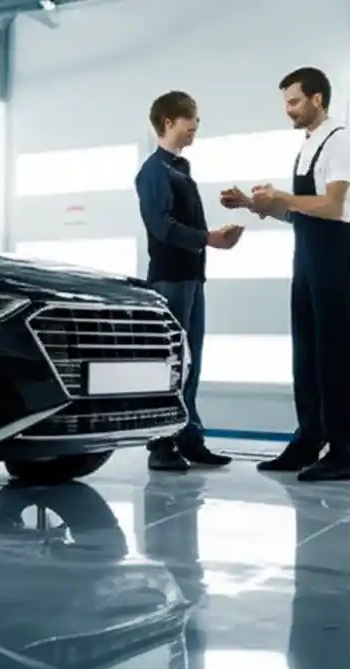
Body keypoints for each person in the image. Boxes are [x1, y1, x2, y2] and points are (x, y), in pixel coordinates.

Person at [220, 67, 350, 482]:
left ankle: (343, 452)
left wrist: (283, 196)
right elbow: (298, 212)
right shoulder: (308, 145)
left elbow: (335, 207)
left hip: (333, 258)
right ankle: (308, 440)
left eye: (295, 101)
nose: (289, 111)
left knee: (336, 354)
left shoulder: (341, 141)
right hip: (307, 258)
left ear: (318, 98)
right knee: (307, 353)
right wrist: (252, 203)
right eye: (286, 103)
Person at [137, 90, 244, 472]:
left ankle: (189, 437)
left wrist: (211, 235)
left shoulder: (181, 168)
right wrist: (209, 238)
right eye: (191, 119)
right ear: (169, 122)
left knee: (190, 361)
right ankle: (160, 443)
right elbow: (162, 226)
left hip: (191, 278)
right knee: (170, 363)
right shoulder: (153, 171)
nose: (196, 126)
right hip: (169, 280)